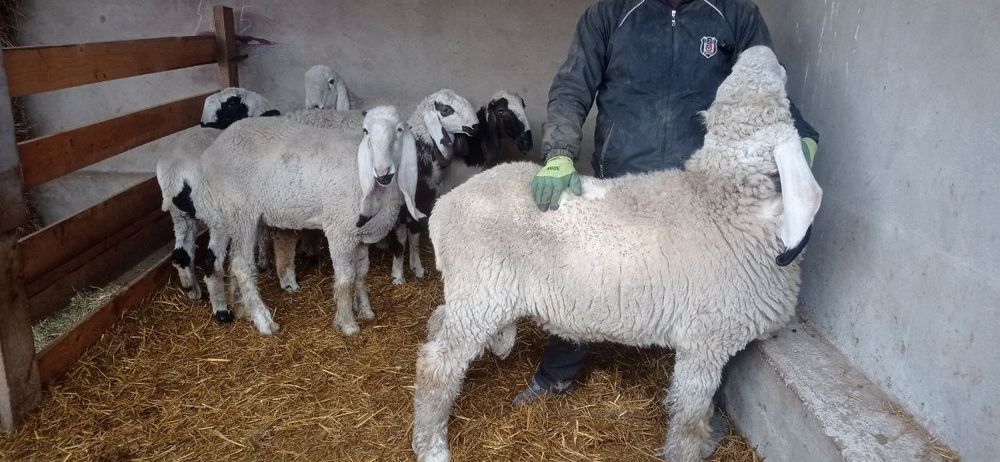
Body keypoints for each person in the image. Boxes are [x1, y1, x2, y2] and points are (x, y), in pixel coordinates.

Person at [515, 0, 819, 405]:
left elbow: (762, 83)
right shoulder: (609, 14)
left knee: (710, 298)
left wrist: (801, 136)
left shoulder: (735, 15)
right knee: (591, 279)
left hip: (699, 192)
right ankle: (556, 374)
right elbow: (572, 87)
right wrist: (559, 153)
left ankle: (698, 403)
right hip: (623, 182)